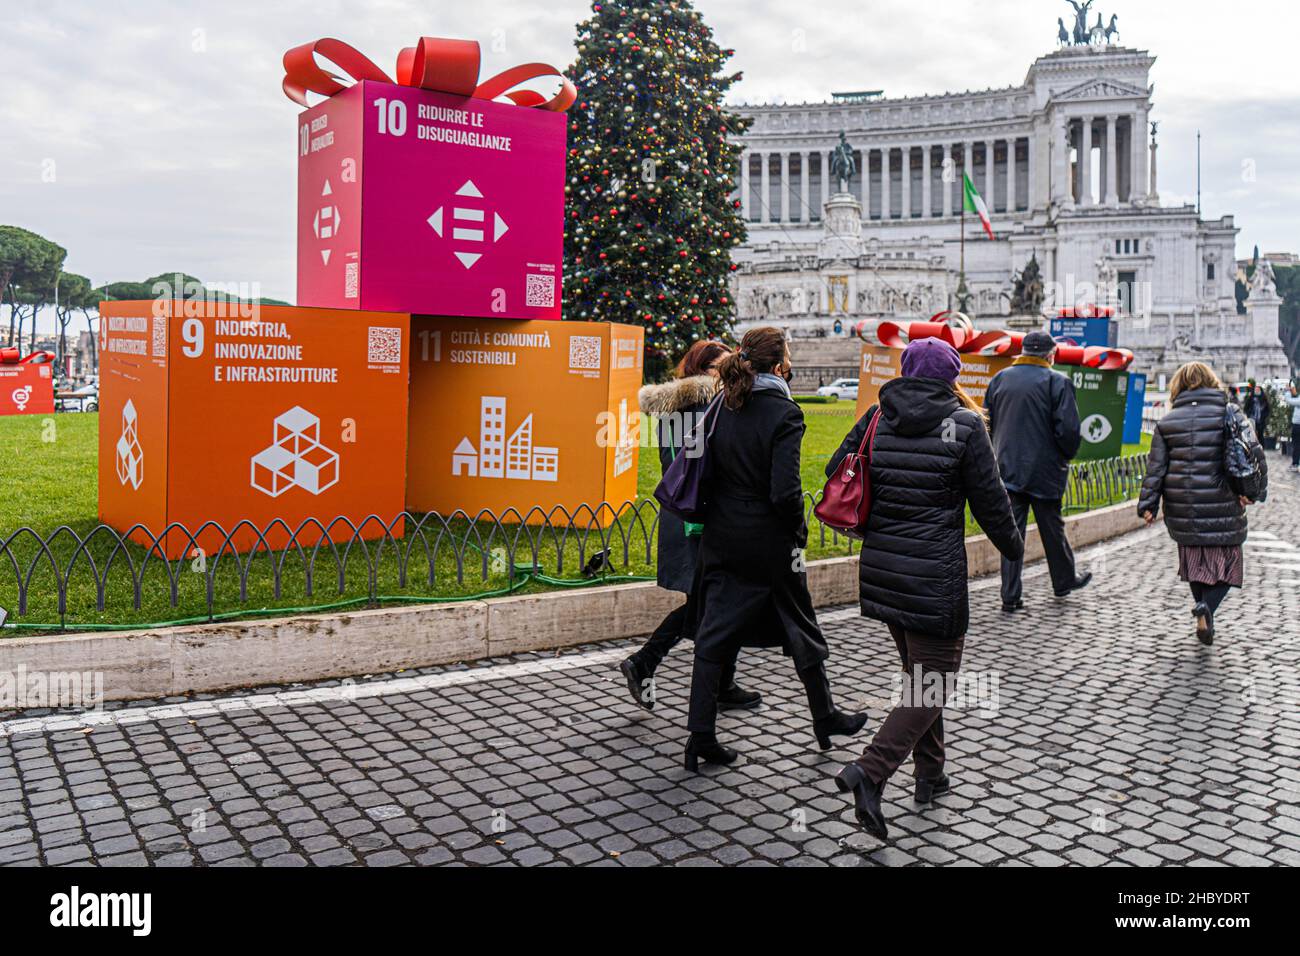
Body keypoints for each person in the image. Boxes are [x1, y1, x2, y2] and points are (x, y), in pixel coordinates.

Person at [826, 338, 1023, 839]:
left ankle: (930, 774)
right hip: (934, 577)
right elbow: (991, 500)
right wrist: (1015, 549)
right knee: (935, 682)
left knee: (919, 678)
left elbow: (835, 471)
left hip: (884, 571)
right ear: (951, 376)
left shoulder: (877, 415)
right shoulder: (964, 425)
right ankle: (869, 773)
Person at [680, 326, 867, 772]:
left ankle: (700, 735)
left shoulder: (724, 403)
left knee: (714, 633)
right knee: (800, 622)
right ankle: (824, 716)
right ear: (780, 362)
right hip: (766, 542)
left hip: (721, 534)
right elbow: (785, 491)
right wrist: (797, 532)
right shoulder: (784, 412)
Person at [619, 341, 761, 712]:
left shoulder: (670, 408)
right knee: (712, 601)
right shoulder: (708, 405)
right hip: (703, 517)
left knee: (714, 601)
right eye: (722, 367)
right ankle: (646, 661)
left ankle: (720, 682)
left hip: (680, 511)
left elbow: (673, 465)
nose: (728, 373)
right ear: (707, 370)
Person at [1137, 362, 1261, 645]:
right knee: (1229, 567)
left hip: (1182, 506)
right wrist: (1250, 492)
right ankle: (1207, 608)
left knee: (1195, 565)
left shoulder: (1168, 422)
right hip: (1223, 503)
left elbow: (1155, 469)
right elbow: (1249, 455)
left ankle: (1204, 616)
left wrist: (1148, 505)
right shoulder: (1229, 415)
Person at [983, 330, 1092, 612]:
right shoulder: (1058, 382)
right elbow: (1068, 430)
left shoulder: (1000, 379)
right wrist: (1066, 455)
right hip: (1045, 471)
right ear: (1050, 355)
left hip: (1007, 469)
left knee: (1012, 533)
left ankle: (1010, 595)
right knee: (1052, 529)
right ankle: (1064, 580)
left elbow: (987, 421)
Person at [1243, 380, 1271, 446]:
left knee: (1260, 435)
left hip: (1261, 420)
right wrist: (1249, 415)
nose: (1257, 390)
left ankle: (1261, 447)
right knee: (1251, 435)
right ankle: (1252, 448)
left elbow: (1268, 409)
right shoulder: (1251, 398)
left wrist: (1264, 416)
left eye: (1258, 389)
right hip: (1252, 419)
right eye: (1256, 389)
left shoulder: (1264, 398)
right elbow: (1246, 408)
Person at [1286, 382, 1300, 472]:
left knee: (1296, 445)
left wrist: (1288, 391)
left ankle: (1295, 464)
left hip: (1298, 425)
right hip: (1297, 425)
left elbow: (1290, 401)